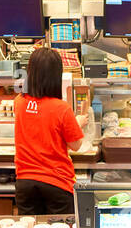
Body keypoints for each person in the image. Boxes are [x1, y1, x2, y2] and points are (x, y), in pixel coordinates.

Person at [13, 47, 89, 215]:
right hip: (57, 183)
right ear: (56, 76)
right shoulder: (61, 108)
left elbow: (36, 122)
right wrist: (77, 123)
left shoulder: (19, 102)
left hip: (25, 184)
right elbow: (75, 145)